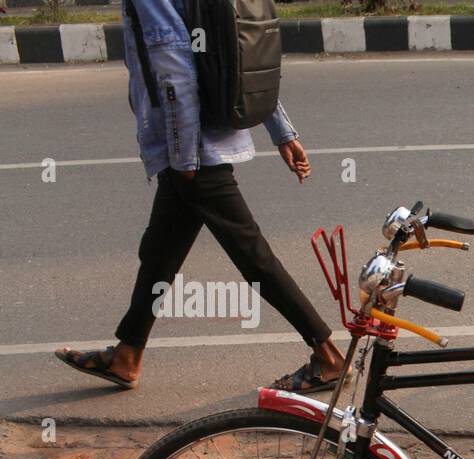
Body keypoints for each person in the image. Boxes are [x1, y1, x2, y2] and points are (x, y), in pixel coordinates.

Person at [55, 0, 346, 394]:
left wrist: (185, 155)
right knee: (159, 252)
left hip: (192, 150)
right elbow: (242, 53)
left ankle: (328, 357)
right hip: (197, 141)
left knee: (253, 256)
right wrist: (282, 130)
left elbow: (175, 70)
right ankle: (127, 355)